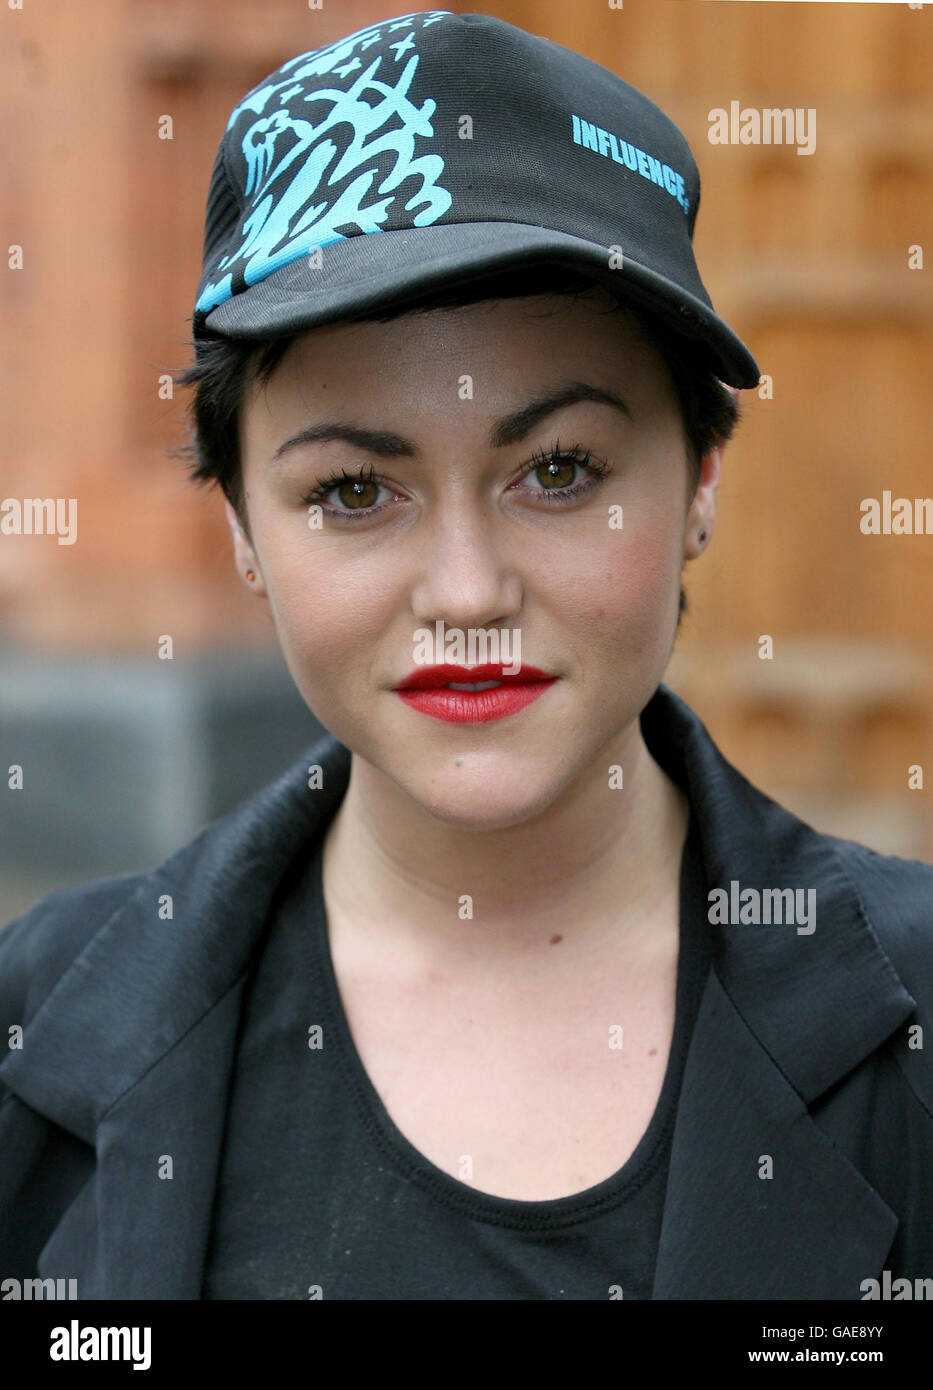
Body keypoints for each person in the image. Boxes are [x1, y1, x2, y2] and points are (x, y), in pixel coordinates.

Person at [2, 9, 932, 1302]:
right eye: (352, 490)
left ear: (700, 479)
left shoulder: (915, 1020)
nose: (465, 588)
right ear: (240, 527)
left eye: (557, 471)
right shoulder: (35, 1025)